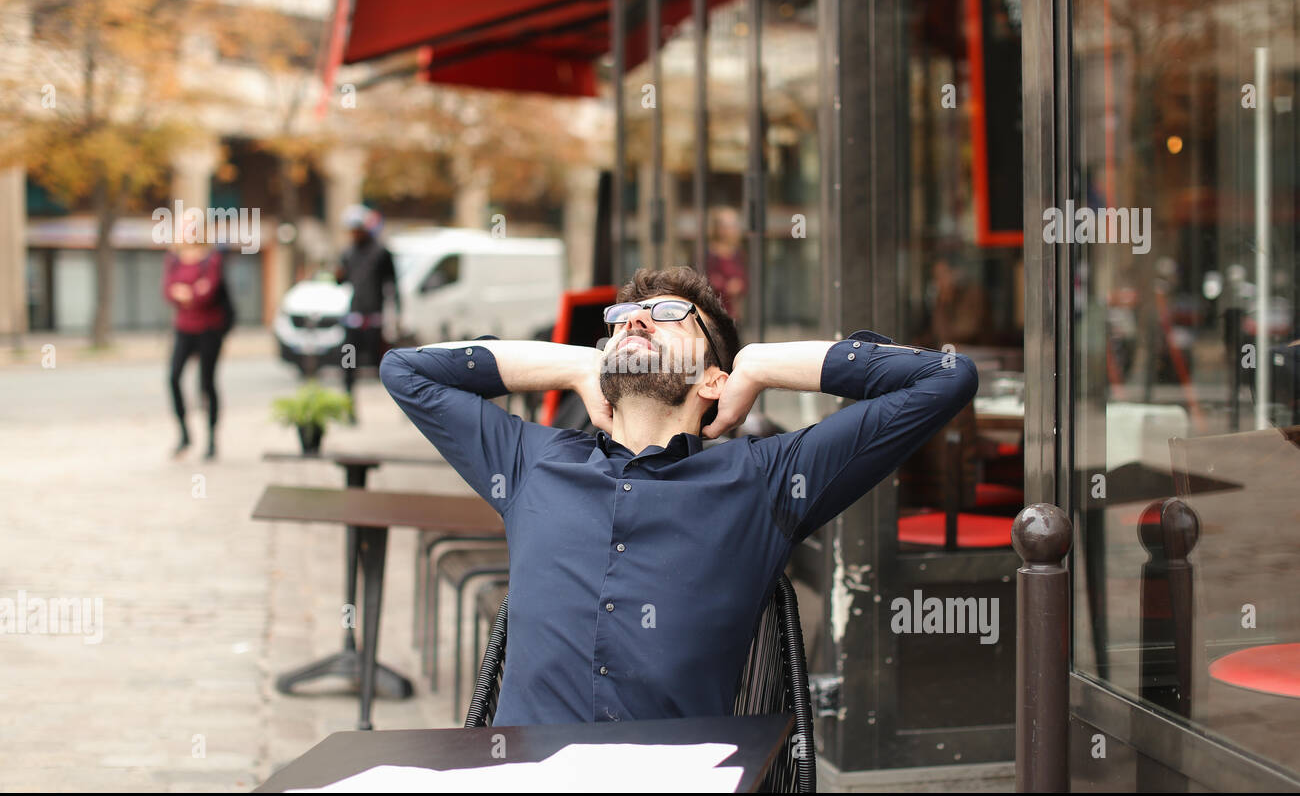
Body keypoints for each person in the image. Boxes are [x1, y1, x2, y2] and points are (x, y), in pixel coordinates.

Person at [380, 266, 977, 725]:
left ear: (715, 379)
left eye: (667, 314)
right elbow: (406, 370)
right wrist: (577, 366)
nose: (633, 321)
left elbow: (945, 377)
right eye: (620, 319)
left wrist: (759, 364)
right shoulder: (533, 461)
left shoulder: (766, 479)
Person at [162, 239, 231, 459]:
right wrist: (190, 291)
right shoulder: (173, 259)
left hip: (209, 329)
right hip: (184, 328)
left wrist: (187, 293)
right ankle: (184, 434)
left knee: (206, 383)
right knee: (173, 377)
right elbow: (167, 290)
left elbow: (208, 292)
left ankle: (211, 440)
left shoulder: (211, 258)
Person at [335, 204, 400, 420]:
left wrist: (396, 315)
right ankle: (349, 409)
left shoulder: (381, 252)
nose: (353, 234)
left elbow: (393, 285)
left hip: (375, 319)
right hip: (354, 317)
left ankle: (402, 409)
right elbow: (340, 281)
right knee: (348, 365)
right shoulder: (347, 253)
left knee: (385, 366)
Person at [706, 205, 749, 323]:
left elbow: (745, 280)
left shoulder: (738, 253)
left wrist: (739, 286)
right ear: (718, 228)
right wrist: (726, 287)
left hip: (734, 314)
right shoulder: (709, 254)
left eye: (735, 225)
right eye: (728, 225)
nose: (733, 229)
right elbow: (707, 282)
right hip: (714, 314)